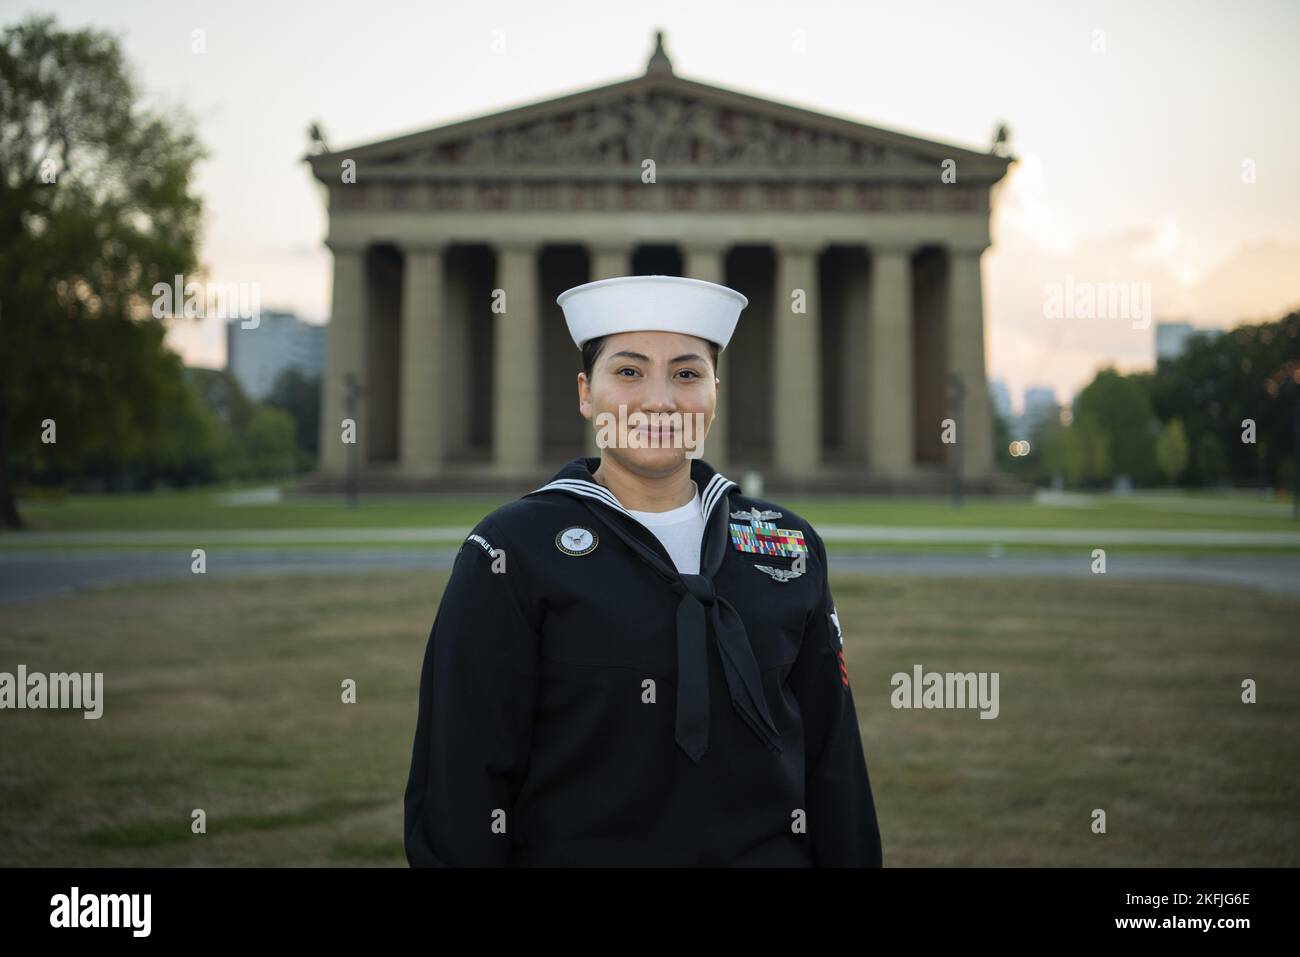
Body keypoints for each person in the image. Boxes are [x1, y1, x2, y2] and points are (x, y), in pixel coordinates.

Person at [404, 274, 882, 866]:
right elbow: (461, 776)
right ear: (586, 393)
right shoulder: (511, 550)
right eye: (628, 372)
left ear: (714, 391)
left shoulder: (784, 542)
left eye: (686, 374)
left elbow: (833, 759)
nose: (660, 400)